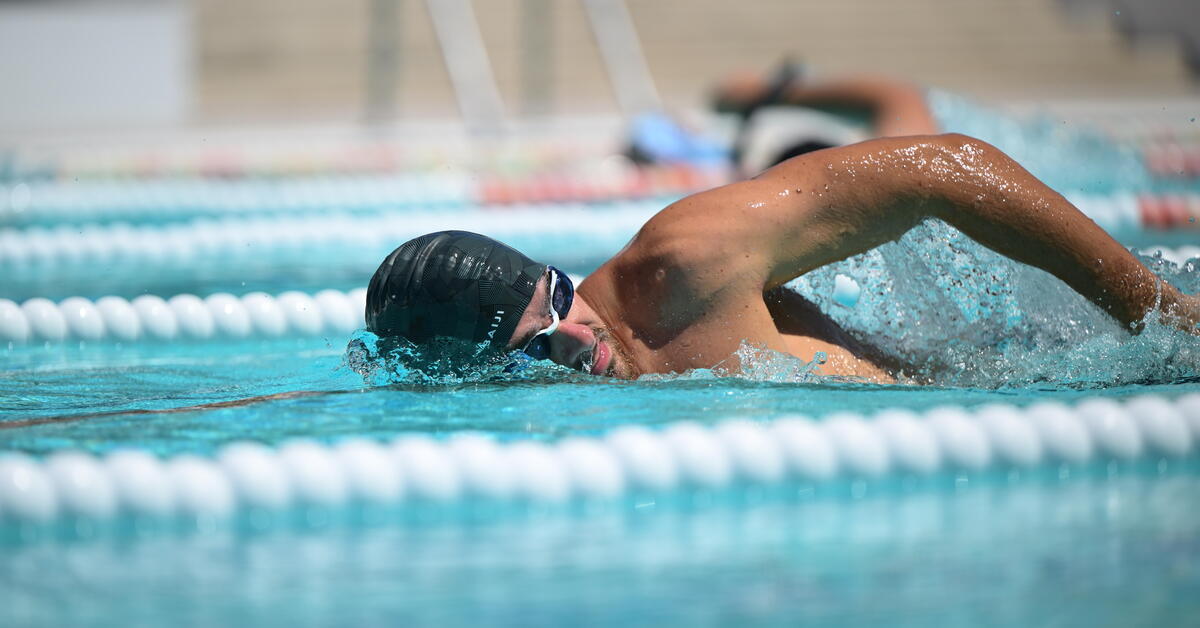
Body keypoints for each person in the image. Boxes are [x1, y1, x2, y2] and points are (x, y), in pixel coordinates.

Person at [366, 134, 1200, 384]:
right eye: (537, 347)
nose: (577, 336)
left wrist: (1157, 311)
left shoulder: (688, 261)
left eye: (558, 296)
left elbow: (942, 168)